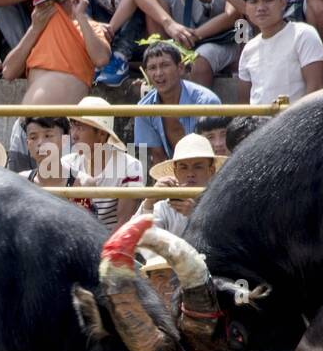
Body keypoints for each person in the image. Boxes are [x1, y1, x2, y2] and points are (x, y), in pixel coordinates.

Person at [1, 0, 109, 101]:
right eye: (46, 5)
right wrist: (34, 29)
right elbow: (8, 72)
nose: (56, 8)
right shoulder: (35, 33)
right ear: (36, 9)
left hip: (65, 118)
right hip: (31, 117)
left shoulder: (88, 27)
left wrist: (80, 16)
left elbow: (101, 59)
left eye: (61, 1)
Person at [236, 0, 323, 104]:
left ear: (283, 2)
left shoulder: (303, 34)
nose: (260, 8)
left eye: (268, 0)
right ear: (246, 7)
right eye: (253, 2)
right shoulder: (249, 48)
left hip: (294, 121)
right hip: (257, 123)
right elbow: (243, 104)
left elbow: (315, 89)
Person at [133, 39, 221, 167]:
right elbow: (158, 157)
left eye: (165, 65)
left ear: (180, 68)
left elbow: (214, 153)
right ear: (147, 74)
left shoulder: (206, 102)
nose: (158, 73)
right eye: (152, 68)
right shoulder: (143, 109)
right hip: (172, 174)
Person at [64, 96, 143, 230]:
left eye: (80, 128)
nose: (74, 135)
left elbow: (123, 223)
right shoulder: (67, 164)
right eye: (73, 126)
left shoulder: (130, 167)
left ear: (101, 133)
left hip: (110, 241)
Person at [135, 132, 224, 235]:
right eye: (183, 167)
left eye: (198, 167)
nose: (190, 174)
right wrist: (149, 202)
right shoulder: (164, 208)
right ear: (175, 172)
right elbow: (138, 239)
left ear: (211, 170)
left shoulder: (221, 205)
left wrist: (196, 216)